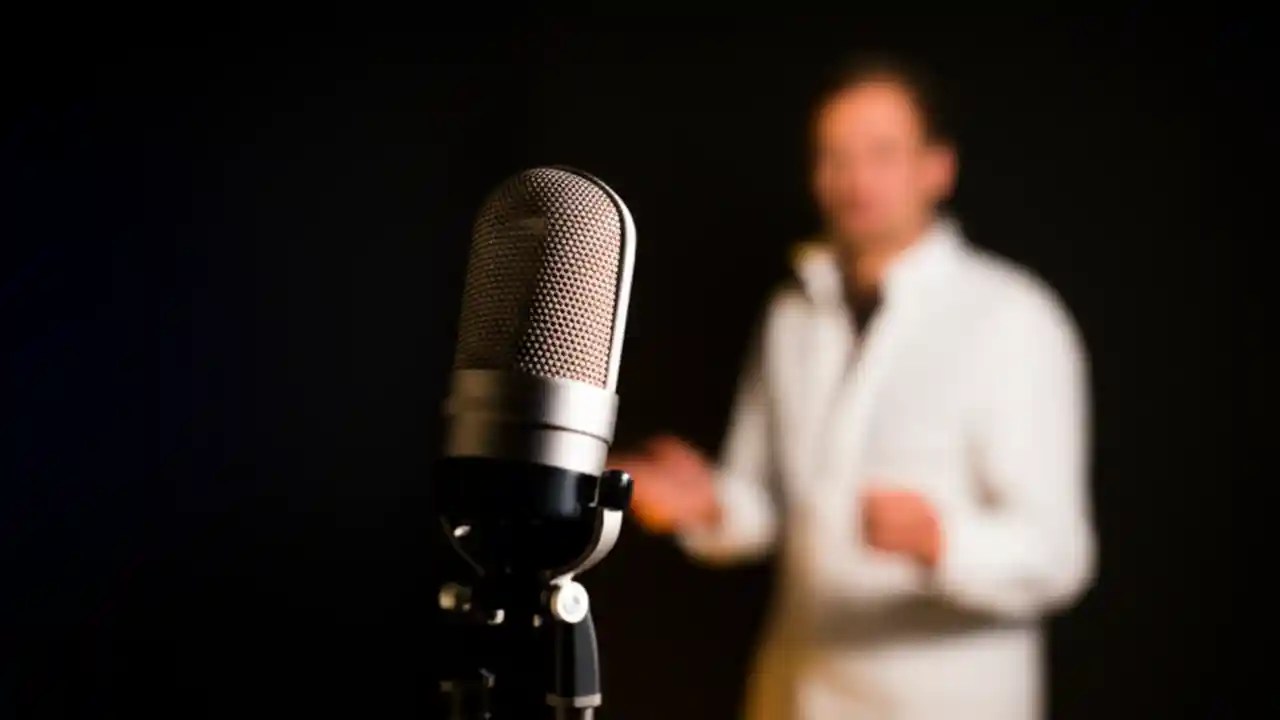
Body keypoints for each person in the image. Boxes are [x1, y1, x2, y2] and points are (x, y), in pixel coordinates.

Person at [610, 56, 1096, 720]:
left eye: (882, 152)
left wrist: (943, 541)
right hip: (798, 689)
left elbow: (1061, 554)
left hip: (949, 700)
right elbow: (772, 509)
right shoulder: (792, 313)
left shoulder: (1012, 315)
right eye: (834, 155)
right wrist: (709, 506)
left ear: (937, 167)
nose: (855, 178)